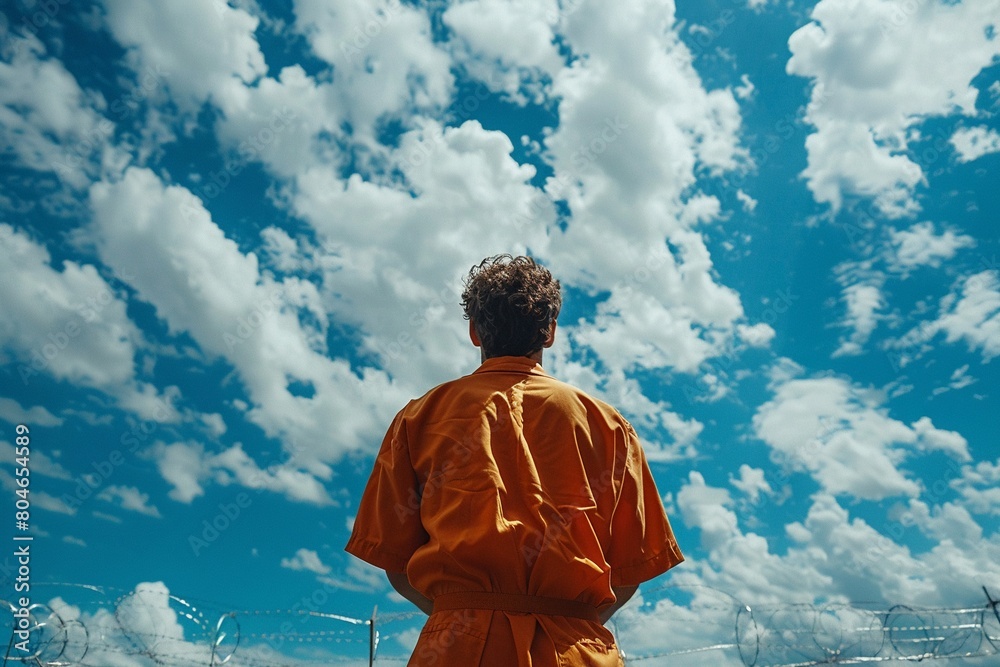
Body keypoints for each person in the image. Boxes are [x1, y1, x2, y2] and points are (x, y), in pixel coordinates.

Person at [345, 254, 683, 666]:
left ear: (474, 331)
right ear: (551, 333)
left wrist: (466, 617)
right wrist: (570, 620)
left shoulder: (418, 418)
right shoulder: (610, 426)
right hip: (576, 650)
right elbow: (632, 568)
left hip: (456, 649)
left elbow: (395, 564)